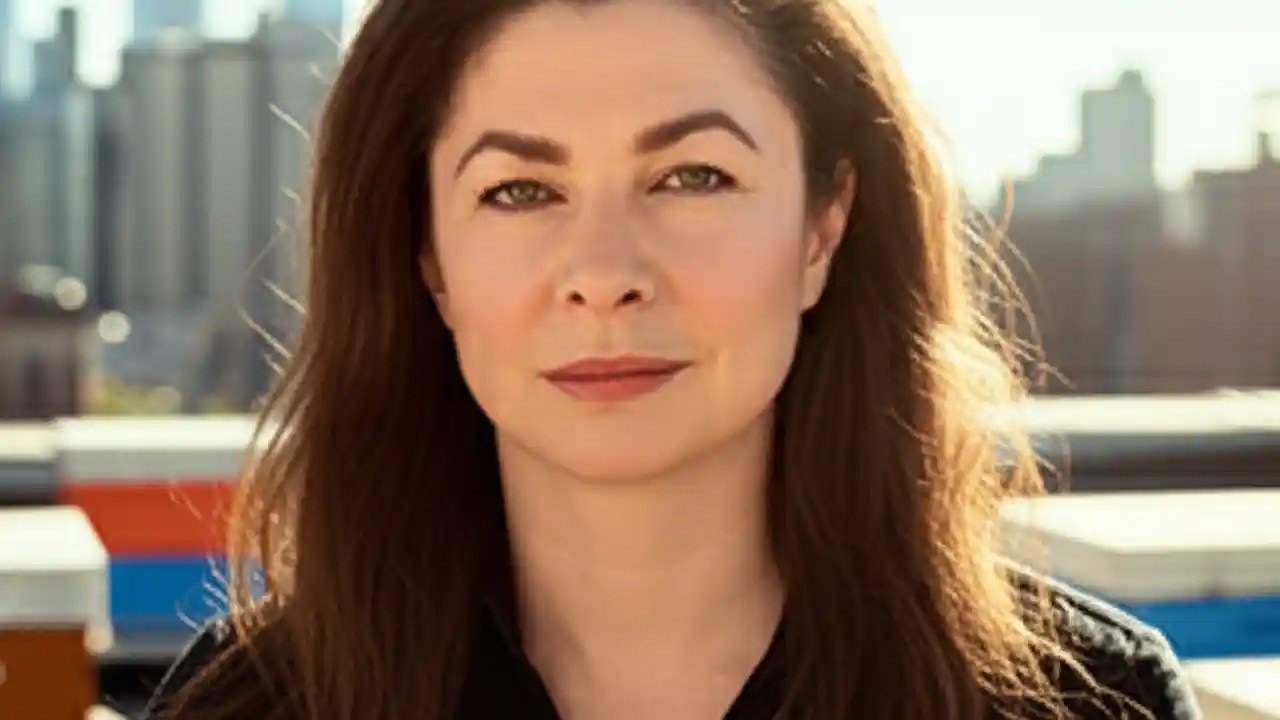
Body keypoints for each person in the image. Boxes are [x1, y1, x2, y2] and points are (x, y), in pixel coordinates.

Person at [144, 1, 1203, 718]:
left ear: (822, 228)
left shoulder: (1080, 702)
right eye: (518, 191)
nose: (603, 274)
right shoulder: (255, 704)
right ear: (427, 257)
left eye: (691, 177)